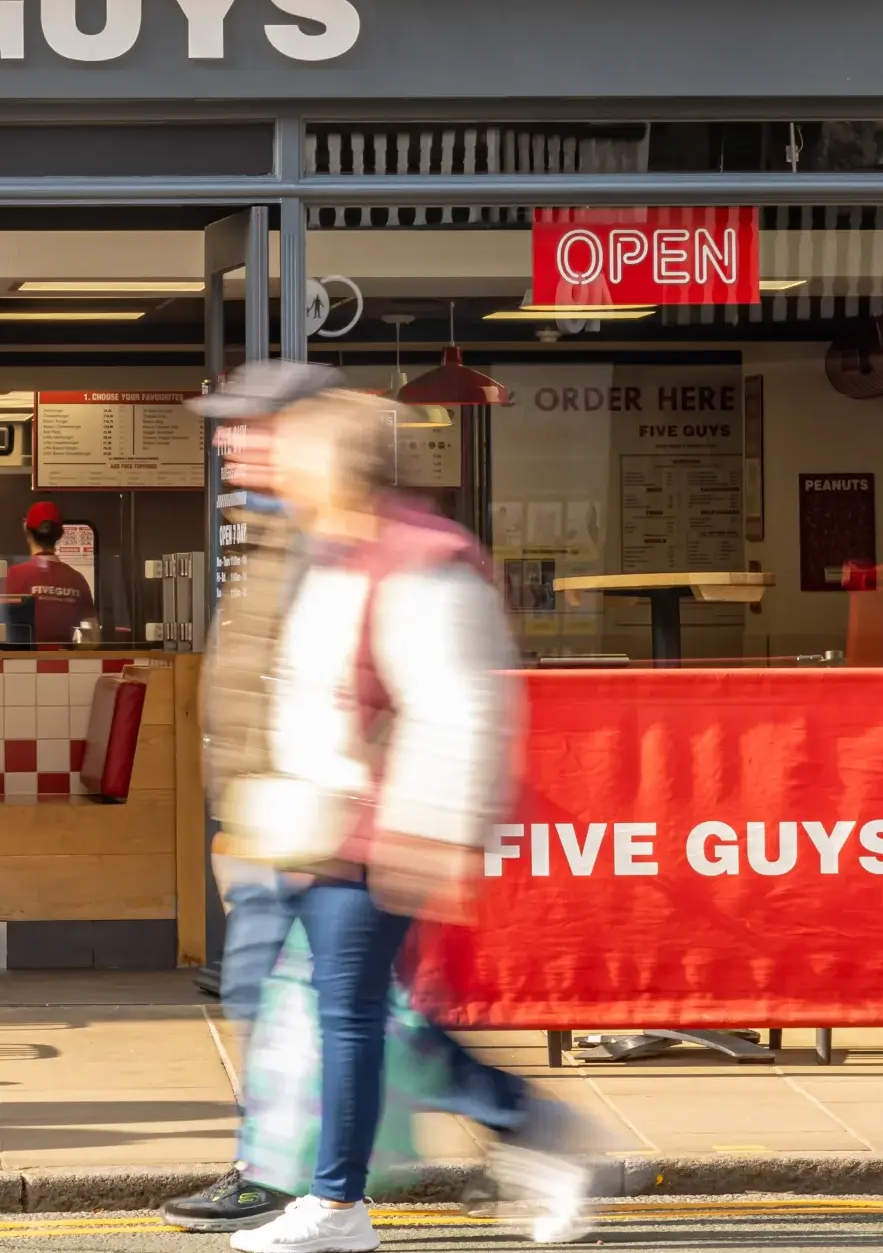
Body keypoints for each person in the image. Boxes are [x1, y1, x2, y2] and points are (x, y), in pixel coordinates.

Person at [225, 389, 589, 1253]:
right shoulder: (340, 551)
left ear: (340, 466)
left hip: (380, 831)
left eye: (297, 454)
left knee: (350, 1016)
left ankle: (339, 1206)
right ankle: (529, 1128)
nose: (277, 468)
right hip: (321, 827)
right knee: (372, 1018)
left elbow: (459, 707)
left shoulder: (422, 563)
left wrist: (431, 833)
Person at [161, 359, 343, 1231]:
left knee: (289, 1002)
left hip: (310, 823)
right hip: (272, 819)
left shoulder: (328, 537)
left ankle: (281, 1176)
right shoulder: (275, 529)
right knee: (291, 1002)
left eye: (246, 426)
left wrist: (288, 819)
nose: (227, 440)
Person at [1, 500, 94, 646]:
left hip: (21, 659)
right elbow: (92, 638)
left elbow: (0, 630)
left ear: (26, 528)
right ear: (61, 534)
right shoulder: (77, 580)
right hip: (65, 659)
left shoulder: (12, 576)